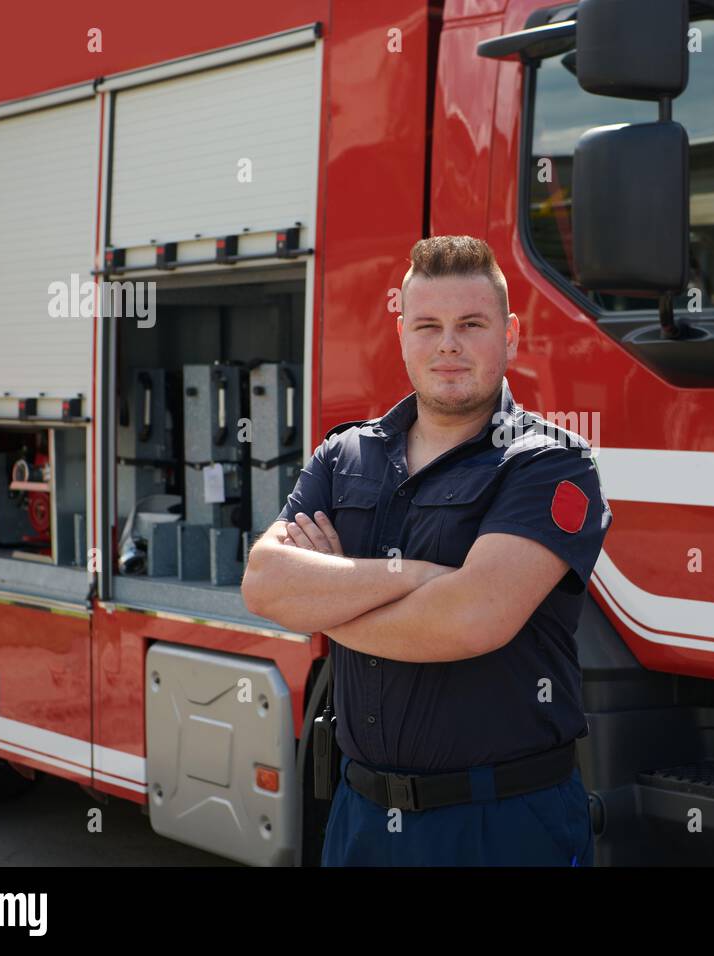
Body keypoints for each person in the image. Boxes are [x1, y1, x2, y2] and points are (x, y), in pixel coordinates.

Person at [241, 235, 612, 866]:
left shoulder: (551, 465)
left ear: (511, 334)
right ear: (402, 336)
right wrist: (416, 576)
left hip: (502, 826)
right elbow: (265, 585)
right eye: (428, 325)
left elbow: (472, 619)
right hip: (359, 820)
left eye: (472, 324)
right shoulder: (343, 455)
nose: (448, 344)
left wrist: (325, 602)